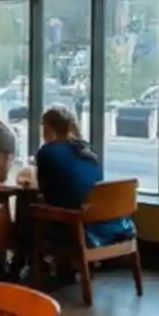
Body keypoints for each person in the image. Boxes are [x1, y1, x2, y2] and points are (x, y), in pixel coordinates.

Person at [35, 106, 134, 248]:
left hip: (78, 226)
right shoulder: (87, 150)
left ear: (47, 129)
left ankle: (24, 263)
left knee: (30, 209)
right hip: (106, 222)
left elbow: (46, 192)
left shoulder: (47, 152)